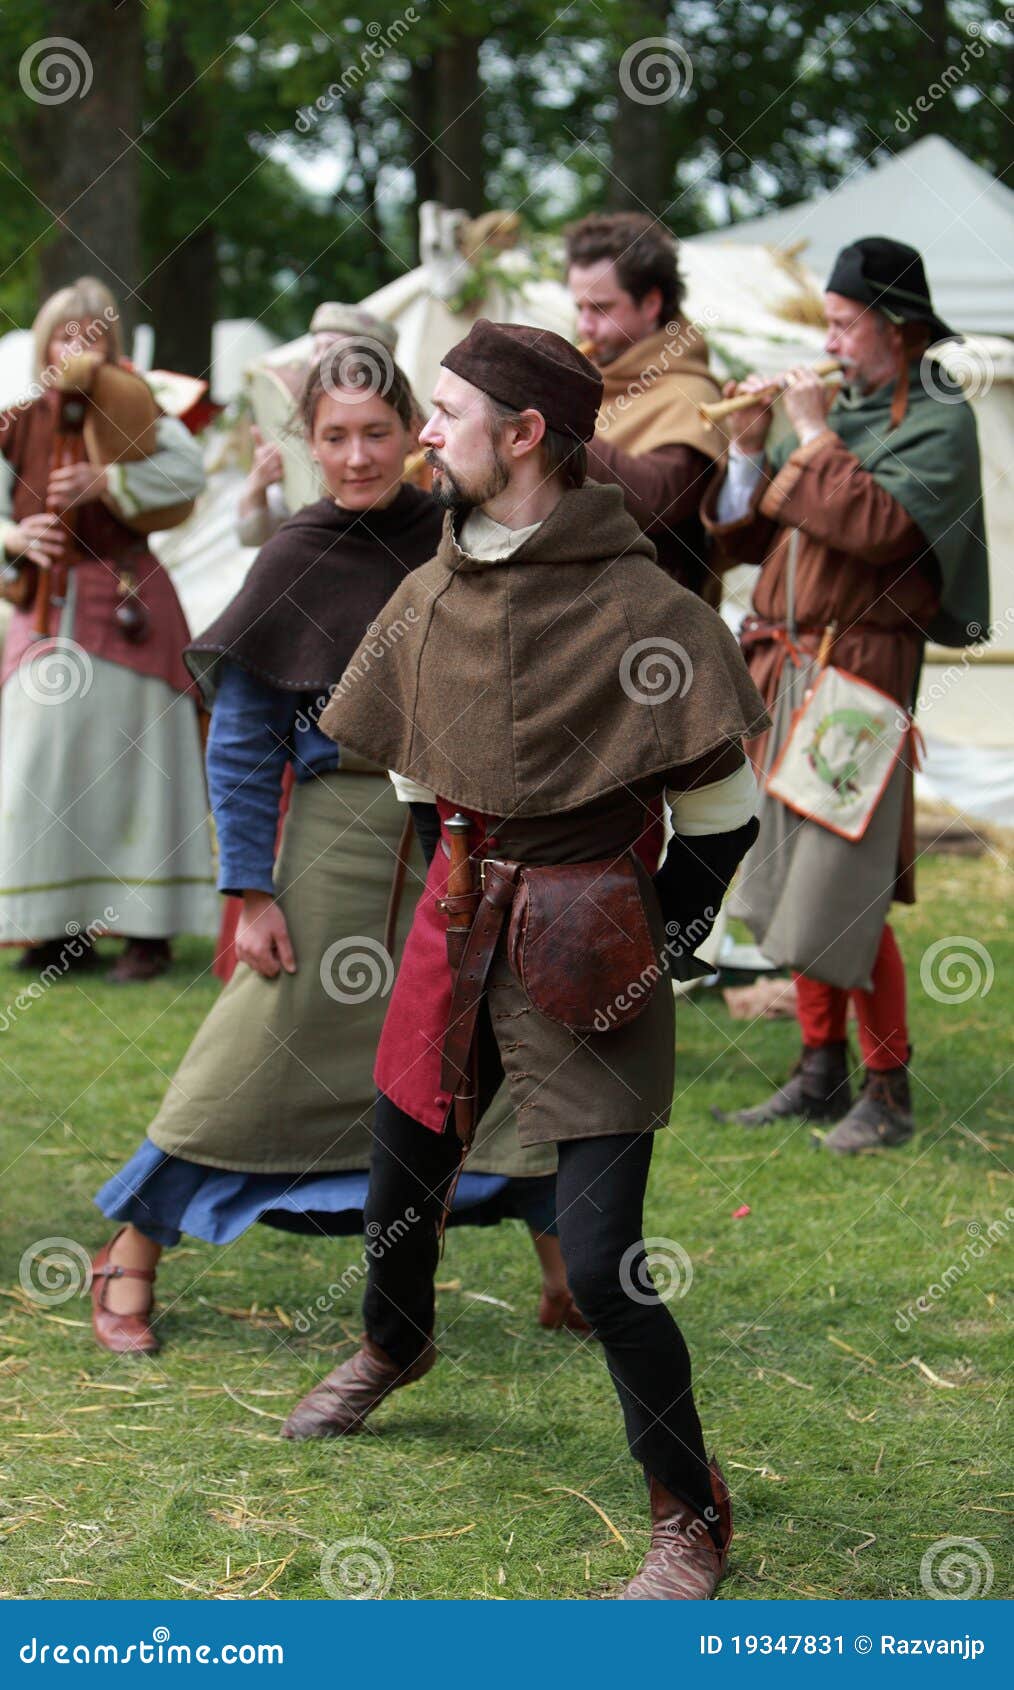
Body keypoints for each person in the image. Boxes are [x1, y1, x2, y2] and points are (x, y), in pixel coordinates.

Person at [282, 320, 769, 1601]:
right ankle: (396, 1345)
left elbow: (722, 822)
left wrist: (643, 947)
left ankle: (689, 1514)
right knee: (399, 1182)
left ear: (525, 435)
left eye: (446, 411)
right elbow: (402, 771)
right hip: (455, 921)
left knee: (604, 1259)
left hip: (590, 930)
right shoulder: (429, 590)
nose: (424, 430)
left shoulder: (647, 614)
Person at [90, 344, 585, 1358]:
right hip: (328, 841)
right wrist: (250, 890)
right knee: (253, 1053)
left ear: (414, 434)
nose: (358, 455)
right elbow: (239, 742)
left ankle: (570, 1270)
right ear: (306, 444)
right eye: (335, 436)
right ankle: (130, 1249)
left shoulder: (465, 538)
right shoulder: (291, 557)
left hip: (451, 843)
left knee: (498, 1050)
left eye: (377, 432)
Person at [705, 237, 990, 1153]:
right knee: (792, 872)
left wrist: (815, 433)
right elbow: (749, 539)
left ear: (896, 328)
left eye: (841, 322)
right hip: (784, 670)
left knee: (844, 884)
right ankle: (819, 1071)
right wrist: (751, 452)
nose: (825, 339)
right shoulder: (838, 410)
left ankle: (889, 1089)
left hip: (858, 682)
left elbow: (880, 526)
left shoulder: (939, 418)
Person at [0, 276, 214, 983]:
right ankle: (56, 927)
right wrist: (16, 537)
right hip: (44, 610)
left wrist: (109, 483)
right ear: (45, 342)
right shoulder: (18, 416)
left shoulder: (136, 400)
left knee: (139, 767)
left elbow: (188, 474)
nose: (77, 346)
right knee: (41, 767)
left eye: (92, 335)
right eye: (65, 332)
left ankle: (146, 931)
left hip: (128, 604)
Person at [565, 213, 724, 599]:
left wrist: (554, 426)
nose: (585, 326)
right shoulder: (587, 380)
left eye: (601, 308)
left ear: (652, 303)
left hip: (653, 623)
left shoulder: (691, 390)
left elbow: (659, 499)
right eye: (580, 308)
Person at [236, 303, 399, 548]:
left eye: (333, 349)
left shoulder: (413, 433)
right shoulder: (306, 429)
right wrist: (257, 486)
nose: (318, 361)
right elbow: (252, 536)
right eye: (316, 349)